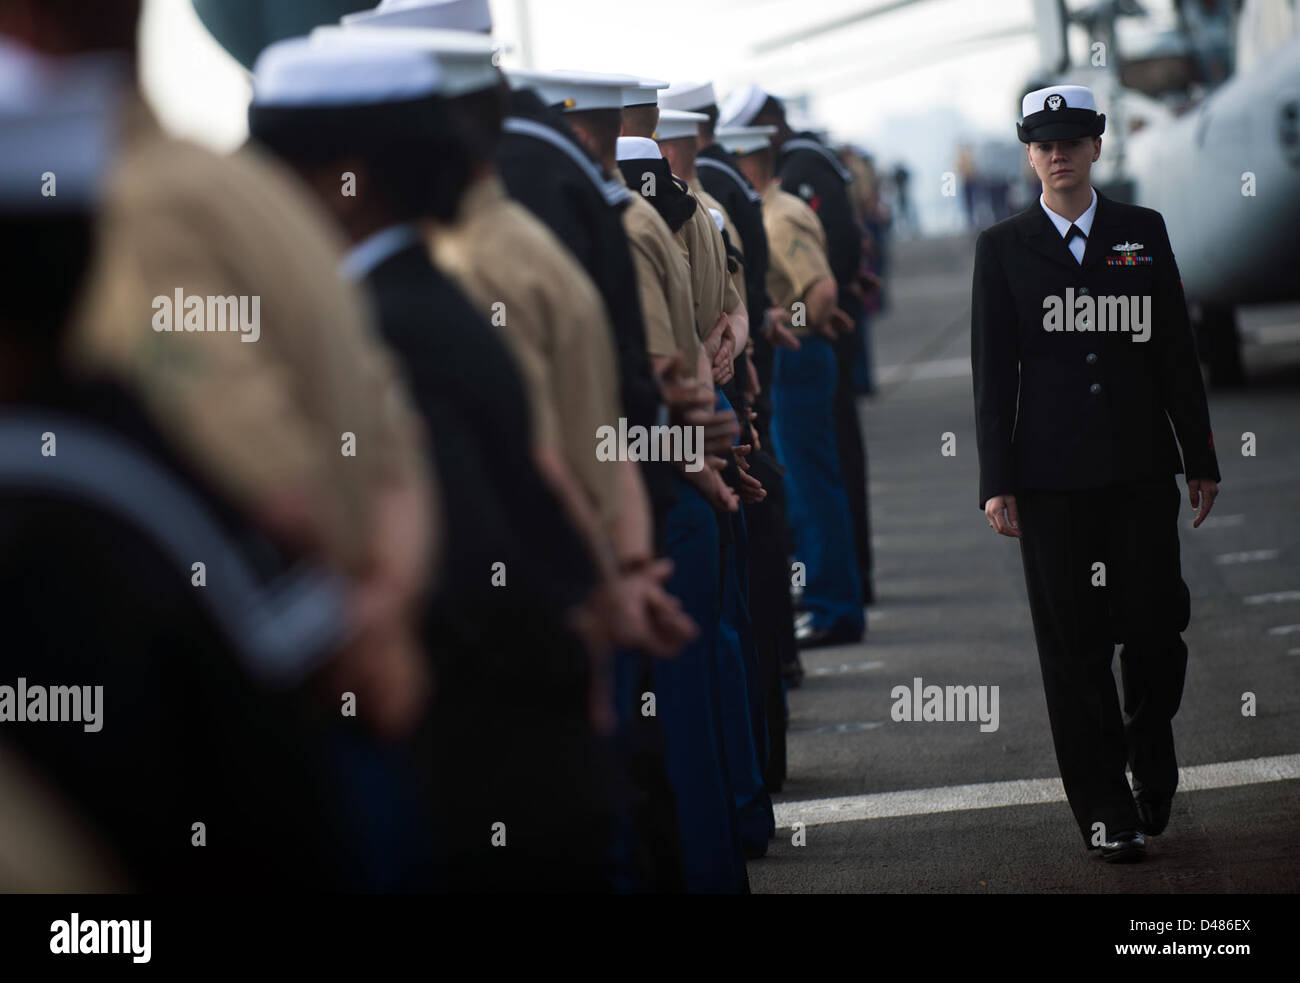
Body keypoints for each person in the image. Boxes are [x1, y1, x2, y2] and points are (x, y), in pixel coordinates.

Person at [248, 36, 617, 890]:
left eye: (280, 170)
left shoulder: (387, 325)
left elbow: (471, 566)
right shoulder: (428, 298)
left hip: (480, 778)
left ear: (348, 178)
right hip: (527, 762)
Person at [971, 84, 1221, 862]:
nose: (1057, 154)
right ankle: (1105, 808)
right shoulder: (1003, 247)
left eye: (1072, 140)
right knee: (1073, 648)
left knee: (1154, 630)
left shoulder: (1139, 232)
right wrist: (996, 478)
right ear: (1029, 154)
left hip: (1140, 470)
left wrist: (1200, 457)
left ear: (1096, 148)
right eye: (1043, 143)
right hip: (1050, 481)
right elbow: (992, 374)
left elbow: (1175, 349)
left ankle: (1150, 749)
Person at [726, 124, 865, 649]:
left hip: (798, 359)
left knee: (810, 488)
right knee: (812, 483)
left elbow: (821, 289)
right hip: (806, 355)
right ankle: (832, 600)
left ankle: (833, 607)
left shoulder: (776, 218)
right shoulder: (780, 208)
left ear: (748, 165)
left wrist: (794, 321)